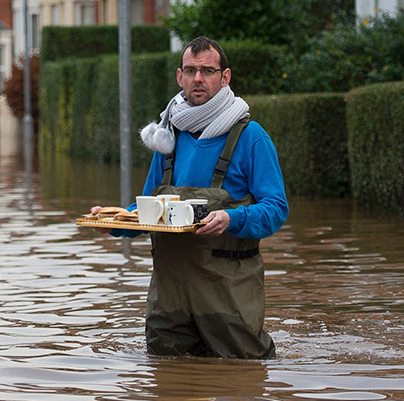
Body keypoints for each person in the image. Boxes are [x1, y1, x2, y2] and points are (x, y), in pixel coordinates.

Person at [90, 36, 287, 359]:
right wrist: (115, 221)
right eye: (191, 71)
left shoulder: (252, 137)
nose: (198, 79)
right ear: (179, 77)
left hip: (228, 297)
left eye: (208, 71)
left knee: (243, 384)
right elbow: (151, 212)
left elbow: (276, 209)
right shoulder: (168, 138)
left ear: (225, 78)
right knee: (168, 388)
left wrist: (231, 218)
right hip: (169, 299)